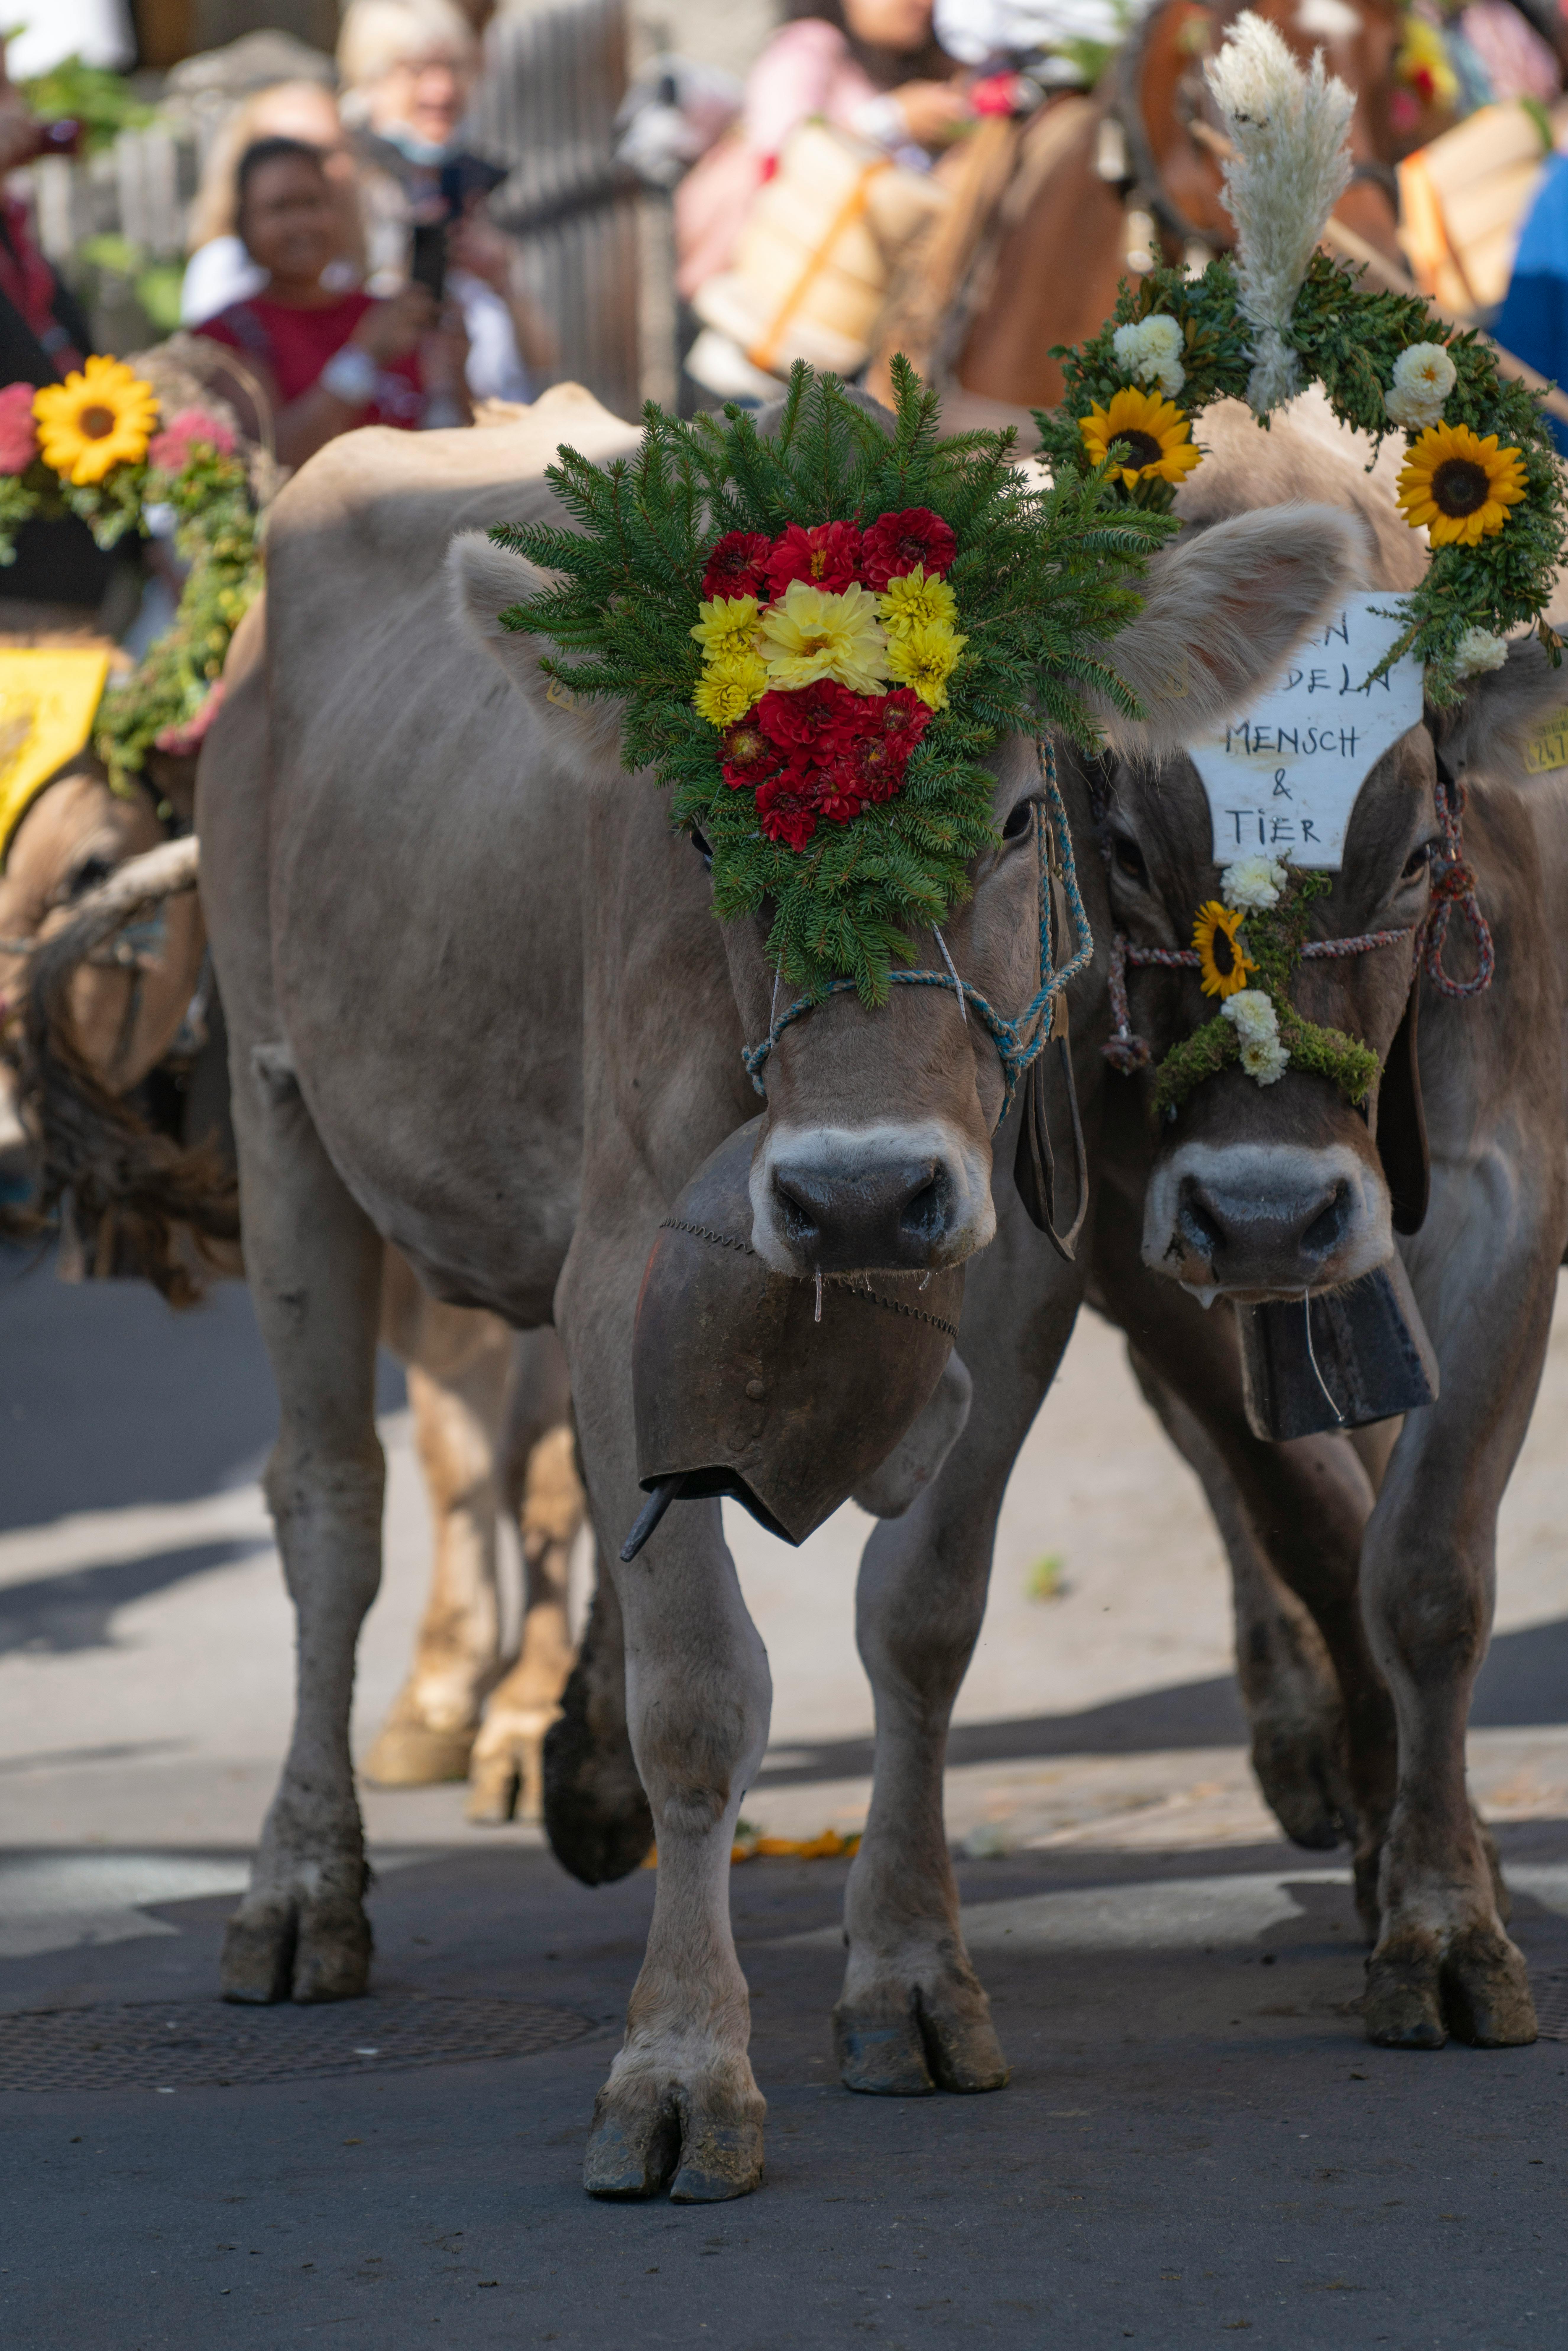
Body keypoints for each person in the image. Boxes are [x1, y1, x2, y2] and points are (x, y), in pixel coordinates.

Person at [194, 137, 469, 469]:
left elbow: (465, 440)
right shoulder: (225, 336)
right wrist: (362, 360)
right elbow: (273, 459)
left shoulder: (386, 313)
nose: (303, 224)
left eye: (313, 203)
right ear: (243, 224)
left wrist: (455, 374)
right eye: (279, 208)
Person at [675, 0, 971, 305]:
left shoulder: (896, 75)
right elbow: (781, 153)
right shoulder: (811, 46)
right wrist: (892, 119)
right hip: (762, 295)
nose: (923, 4)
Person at [337, 0, 554, 402]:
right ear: (370, 80)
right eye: (417, 70)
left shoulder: (474, 193)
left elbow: (544, 367)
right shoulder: (341, 196)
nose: (443, 91)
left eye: (455, 68)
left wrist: (505, 285)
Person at [180, 79, 365, 328]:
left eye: (328, 151)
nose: (302, 168)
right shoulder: (225, 271)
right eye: (284, 146)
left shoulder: (355, 255)